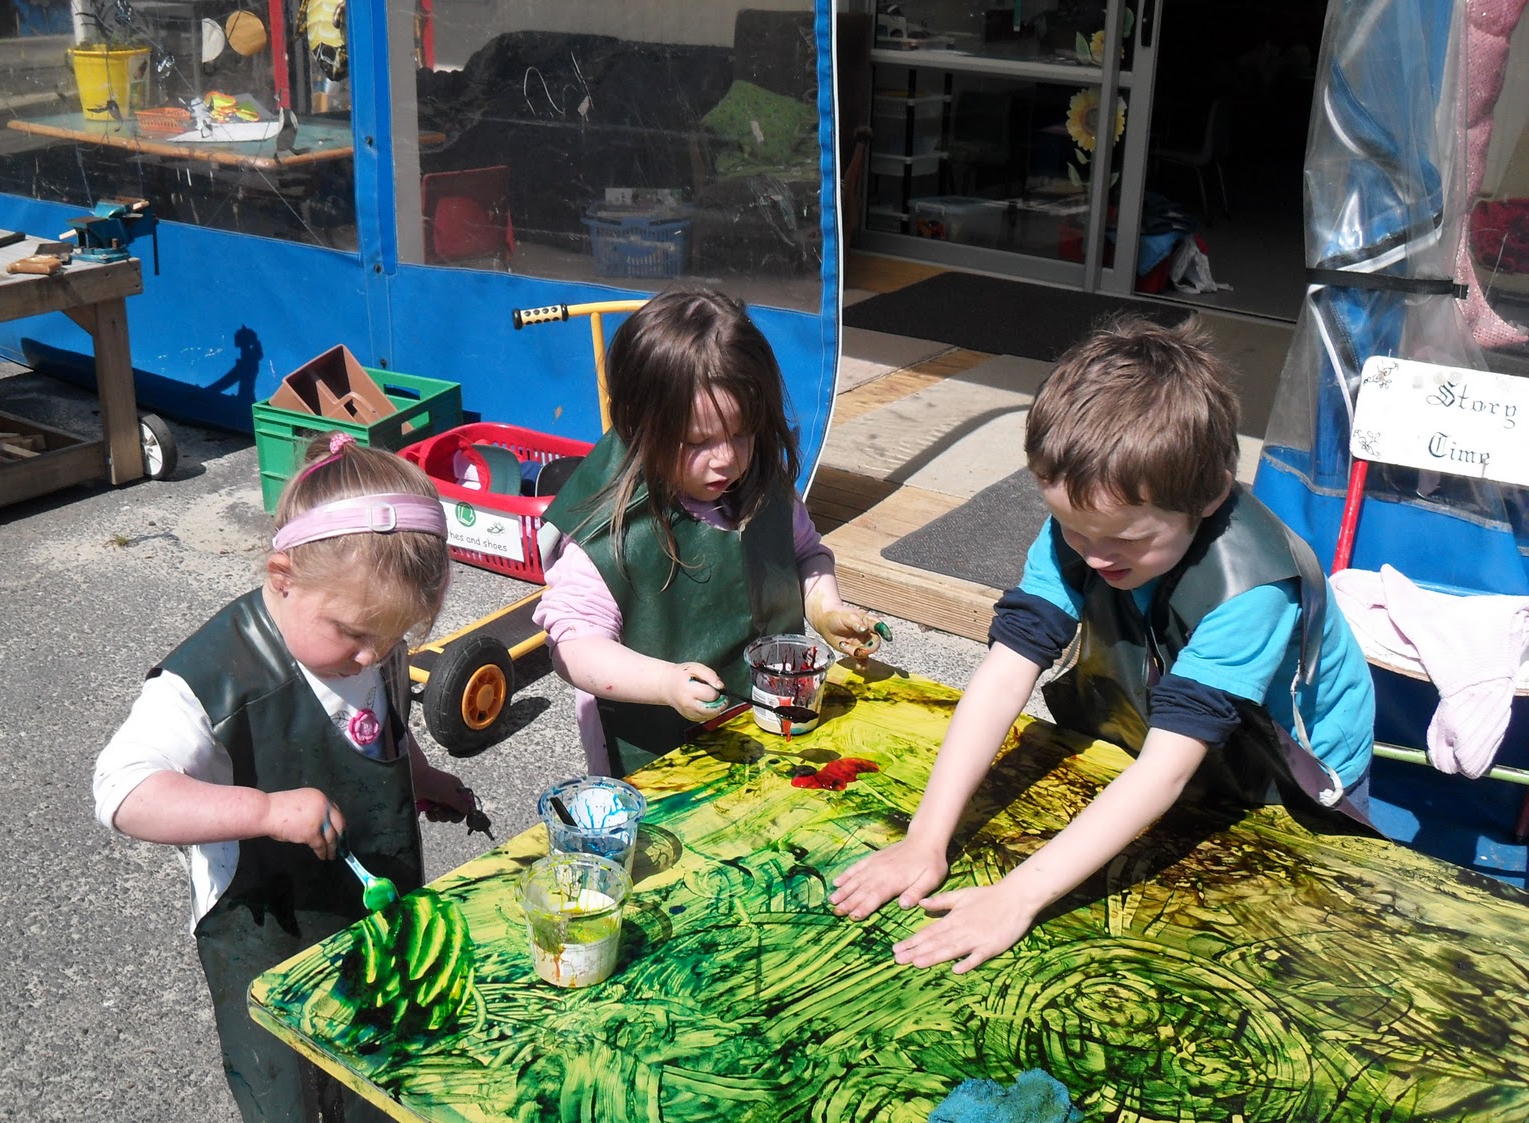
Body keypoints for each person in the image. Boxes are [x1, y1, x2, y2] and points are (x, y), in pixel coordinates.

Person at [829, 315, 1374, 973]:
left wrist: (1017, 896)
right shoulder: (1089, 525)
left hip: (1294, 765)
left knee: (1271, 917)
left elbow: (1165, 770)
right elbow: (1005, 673)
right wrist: (926, 838)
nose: (1092, 554)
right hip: (1173, 714)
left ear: (1208, 495)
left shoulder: (1249, 593)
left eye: (1125, 541)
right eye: (1073, 529)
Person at [93, 433, 481, 1123]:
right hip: (275, 972)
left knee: (391, 1104)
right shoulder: (213, 681)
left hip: (375, 947)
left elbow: (380, 722)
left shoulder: (360, 642)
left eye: (395, 638)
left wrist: (422, 773)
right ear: (283, 577)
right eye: (357, 635)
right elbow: (121, 790)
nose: (375, 658)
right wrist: (262, 809)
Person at [533, 286, 880, 776]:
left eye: (741, 432)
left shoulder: (763, 491)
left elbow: (805, 555)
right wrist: (665, 683)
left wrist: (825, 608)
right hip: (652, 757)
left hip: (761, 732)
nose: (727, 458)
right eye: (697, 441)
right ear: (640, 427)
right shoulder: (609, 532)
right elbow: (573, 650)